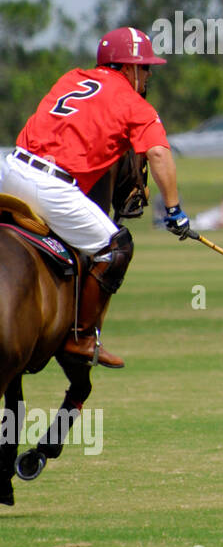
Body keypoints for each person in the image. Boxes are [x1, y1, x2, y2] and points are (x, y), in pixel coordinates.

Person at [0, 27, 192, 367]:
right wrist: (174, 211)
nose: (148, 75)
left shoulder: (71, 78)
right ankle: (82, 338)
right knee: (117, 247)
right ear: (130, 68)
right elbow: (160, 155)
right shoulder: (135, 105)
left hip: (10, 169)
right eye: (146, 67)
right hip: (50, 187)